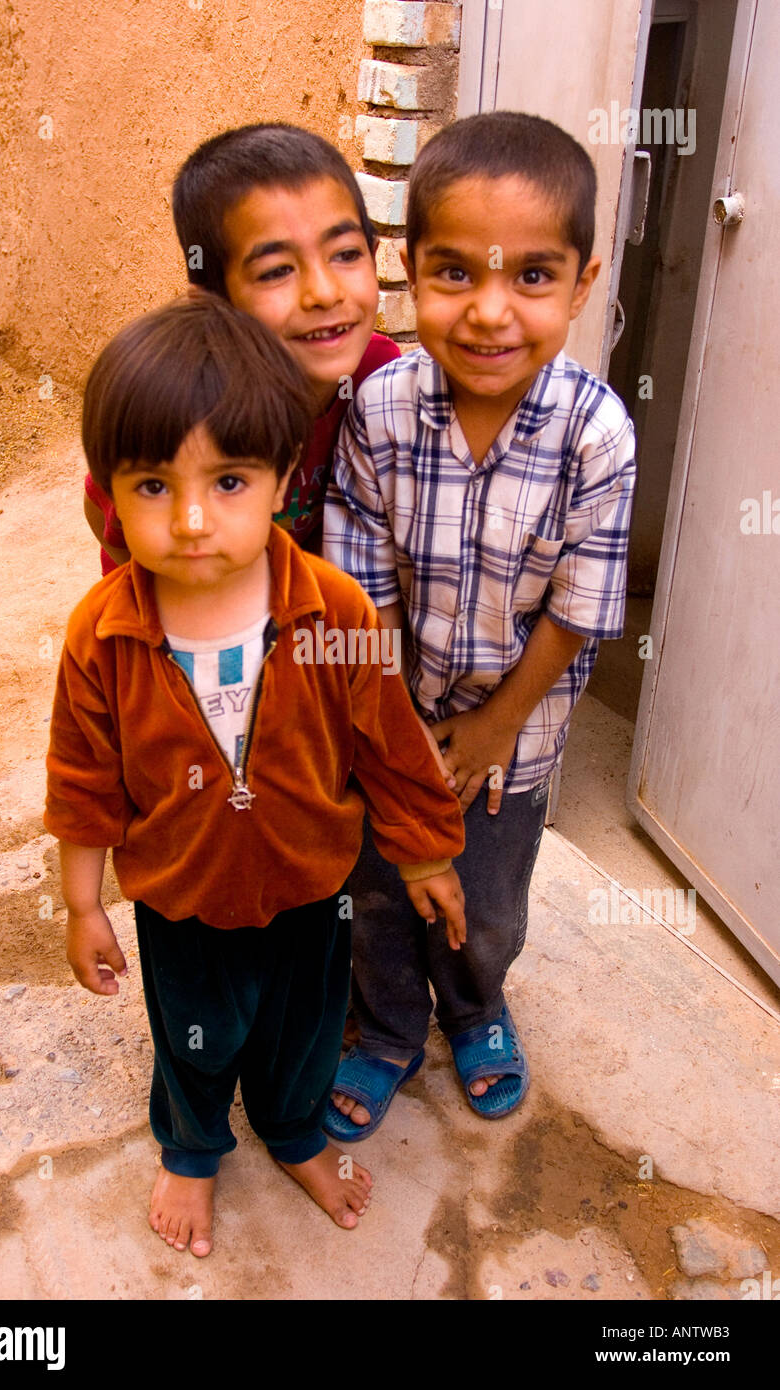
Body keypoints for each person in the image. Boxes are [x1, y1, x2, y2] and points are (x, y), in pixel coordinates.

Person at [45, 295, 466, 1258]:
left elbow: (391, 751)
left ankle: (293, 1132)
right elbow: (81, 780)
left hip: (314, 885)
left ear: (282, 480)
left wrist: (429, 855)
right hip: (181, 895)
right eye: (153, 485)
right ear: (108, 493)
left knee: (303, 1032)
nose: (191, 520)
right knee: (193, 1032)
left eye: (227, 479)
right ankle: (192, 1149)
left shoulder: (334, 609)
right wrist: (81, 904)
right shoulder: (102, 632)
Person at [323, 111, 636, 1138]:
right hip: (388, 727)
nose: (489, 313)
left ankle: (474, 1007)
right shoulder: (380, 411)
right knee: (379, 894)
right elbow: (357, 593)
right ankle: (382, 1029)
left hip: (518, 739)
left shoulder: (594, 433)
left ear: (582, 283)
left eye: (531, 278)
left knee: (486, 905)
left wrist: (496, 727)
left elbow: (581, 609)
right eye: (454, 274)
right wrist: (396, 735)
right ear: (409, 271)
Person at [84, 123, 398, 572]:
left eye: (346, 254)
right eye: (276, 271)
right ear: (211, 299)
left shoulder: (379, 375)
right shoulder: (182, 403)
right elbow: (105, 516)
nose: (325, 293)